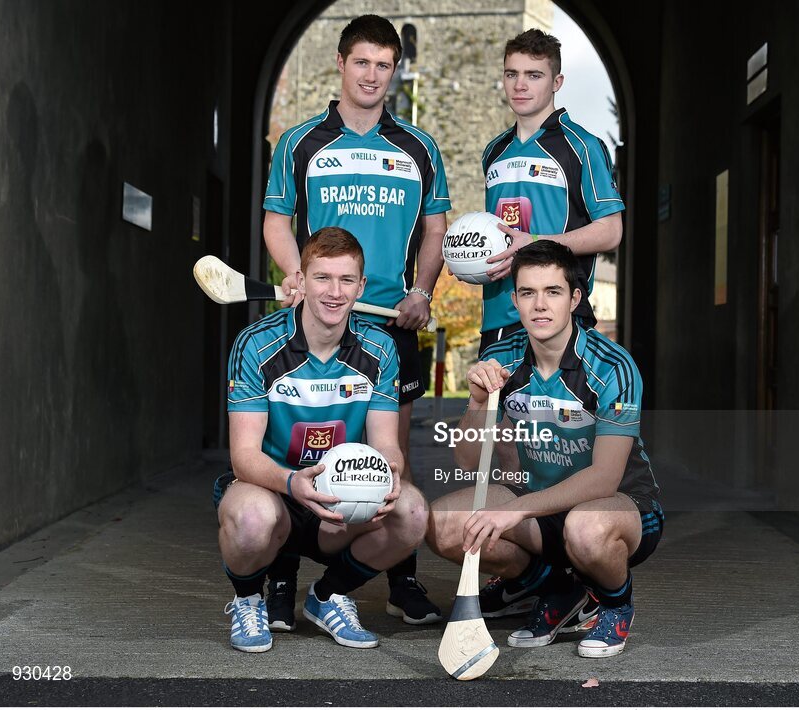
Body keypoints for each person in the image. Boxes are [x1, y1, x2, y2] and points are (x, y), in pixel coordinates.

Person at [261, 14, 450, 628]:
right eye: (361, 62)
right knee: (297, 447)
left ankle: (401, 580)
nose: (372, 75)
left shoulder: (419, 147)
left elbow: (436, 230)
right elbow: (276, 220)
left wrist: (423, 291)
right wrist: (296, 272)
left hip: (390, 323)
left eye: (383, 65)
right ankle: (281, 580)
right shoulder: (300, 142)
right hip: (317, 315)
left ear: (395, 70)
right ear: (340, 63)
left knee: (391, 455)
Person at [426, 241, 662, 658]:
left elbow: (604, 479)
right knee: (444, 524)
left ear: (574, 298)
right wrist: (478, 403)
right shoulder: (501, 357)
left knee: (585, 529)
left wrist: (515, 510)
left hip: (618, 506)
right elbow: (468, 461)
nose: (539, 305)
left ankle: (615, 602)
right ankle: (559, 590)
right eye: (528, 292)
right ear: (514, 300)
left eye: (553, 291)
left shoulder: (612, 365)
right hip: (539, 504)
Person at [217, 227, 428, 652]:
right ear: (300, 279)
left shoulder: (380, 348)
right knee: (252, 519)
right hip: (275, 492)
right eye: (322, 278)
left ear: (361, 286)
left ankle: (329, 595)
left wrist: (389, 474)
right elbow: (243, 456)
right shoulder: (256, 344)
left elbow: (387, 444)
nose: (334, 292)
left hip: (339, 500)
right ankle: (247, 600)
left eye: (346, 280)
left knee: (412, 511)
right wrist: (292, 482)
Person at [477, 28, 624, 355]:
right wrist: (471, 259)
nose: (520, 85)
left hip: (560, 318)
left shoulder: (583, 146)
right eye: (512, 74)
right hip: (498, 318)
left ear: (557, 82)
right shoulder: (494, 151)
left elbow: (611, 231)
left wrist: (533, 242)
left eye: (534, 75)